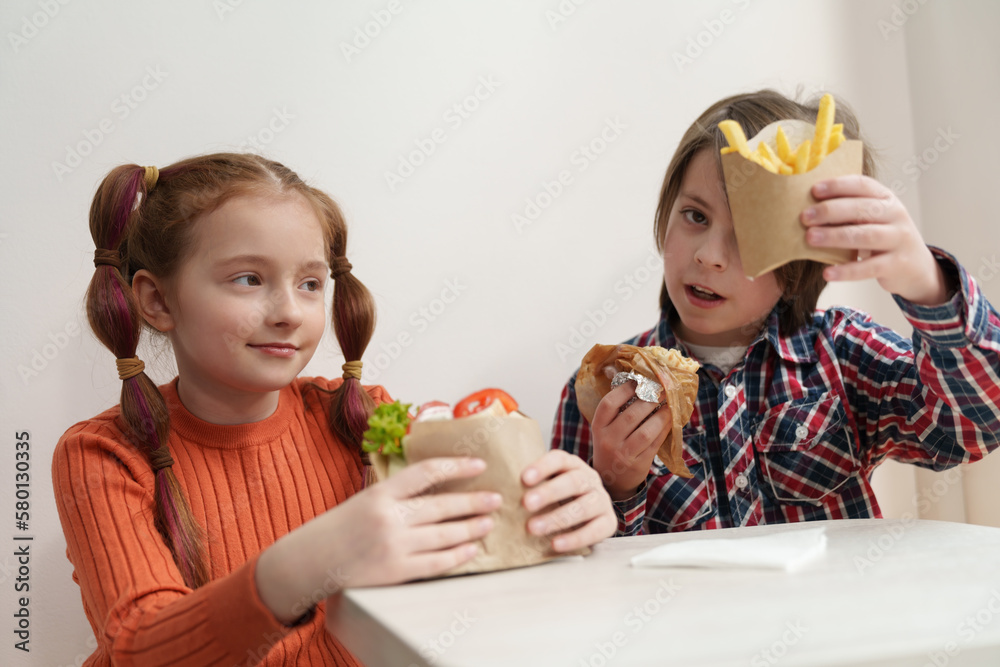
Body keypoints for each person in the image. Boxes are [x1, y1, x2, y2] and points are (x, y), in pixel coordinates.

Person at [53, 153, 615, 666]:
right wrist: (313, 557)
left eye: (310, 283)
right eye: (248, 279)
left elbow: (484, 556)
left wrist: (566, 512)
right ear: (156, 300)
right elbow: (140, 650)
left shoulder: (363, 417)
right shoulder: (102, 455)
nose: (289, 312)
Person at [552, 89, 1000, 536]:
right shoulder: (599, 388)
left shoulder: (844, 355)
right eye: (695, 216)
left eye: (749, 237)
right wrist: (614, 488)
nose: (710, 256)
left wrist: (929, 287)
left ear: (798, 264)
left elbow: (973, 426)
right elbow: (574, 577)